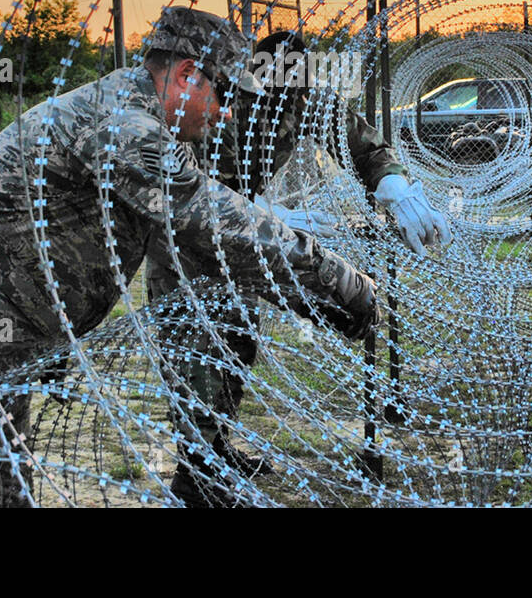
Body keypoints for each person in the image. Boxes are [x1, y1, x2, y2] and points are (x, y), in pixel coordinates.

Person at [0, 7, 377, 507]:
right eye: (222, 95)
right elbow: (218, 223)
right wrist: (343, 287)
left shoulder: (149, 121)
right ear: (187, 75)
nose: (224, 112)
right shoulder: (124, 126)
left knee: (1, 487)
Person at [146, 29, 451, 505]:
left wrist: (393, 184)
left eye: (299, 82)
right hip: (185, 239)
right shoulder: (225, 98)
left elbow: (362, 144)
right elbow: (184, 174)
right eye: (280, 82)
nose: (291, 93)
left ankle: (218, 447)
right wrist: (267, 212)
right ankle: (195, 479)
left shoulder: (305, 100)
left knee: (237, 342)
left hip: (244, 241)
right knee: (195, 353)